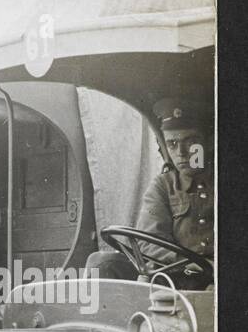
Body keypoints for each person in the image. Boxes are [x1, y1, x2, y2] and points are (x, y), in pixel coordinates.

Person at [87, 102, 214, 281]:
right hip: (178, 275)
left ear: (209, 142)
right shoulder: (163, 186)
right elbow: (149, 242)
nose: (181, 153)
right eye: (172, 143)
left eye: (191, 141)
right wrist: (190, 265)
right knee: (102, 263)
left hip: (220, 278)